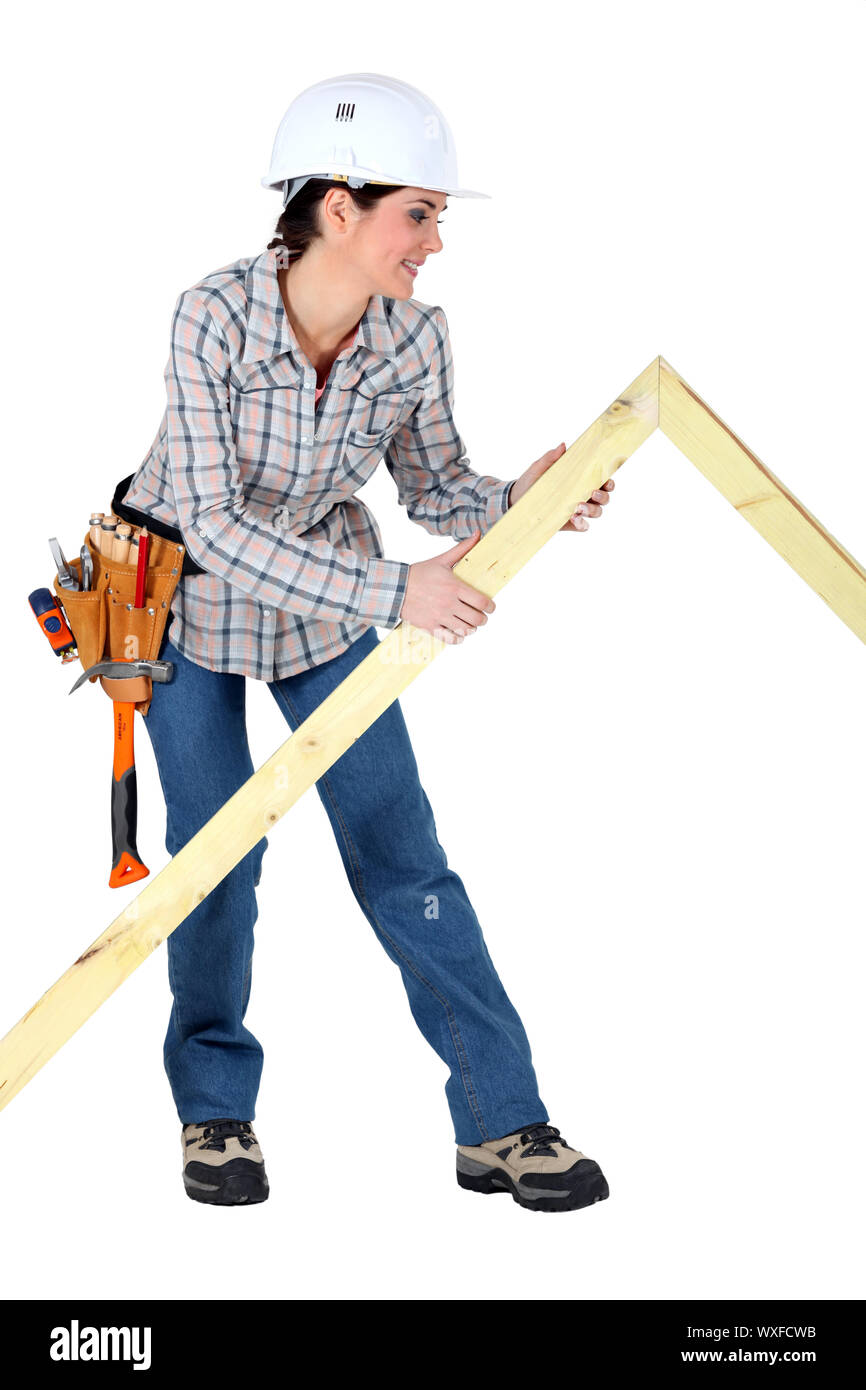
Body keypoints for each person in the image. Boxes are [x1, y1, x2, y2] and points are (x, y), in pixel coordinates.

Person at [117, 72, 614, 1213]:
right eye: (418, 213)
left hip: (327, 609)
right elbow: (211, 526)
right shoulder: (212, 316)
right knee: (215, 862)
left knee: (403, 854)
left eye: (437, 216)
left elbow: (438, 485)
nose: (436, 241)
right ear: (336, 208)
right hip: (184, 606)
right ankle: (216, 1116)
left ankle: (503, 1123)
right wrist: (399, 588)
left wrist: (518, 497)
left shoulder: (414, 337)